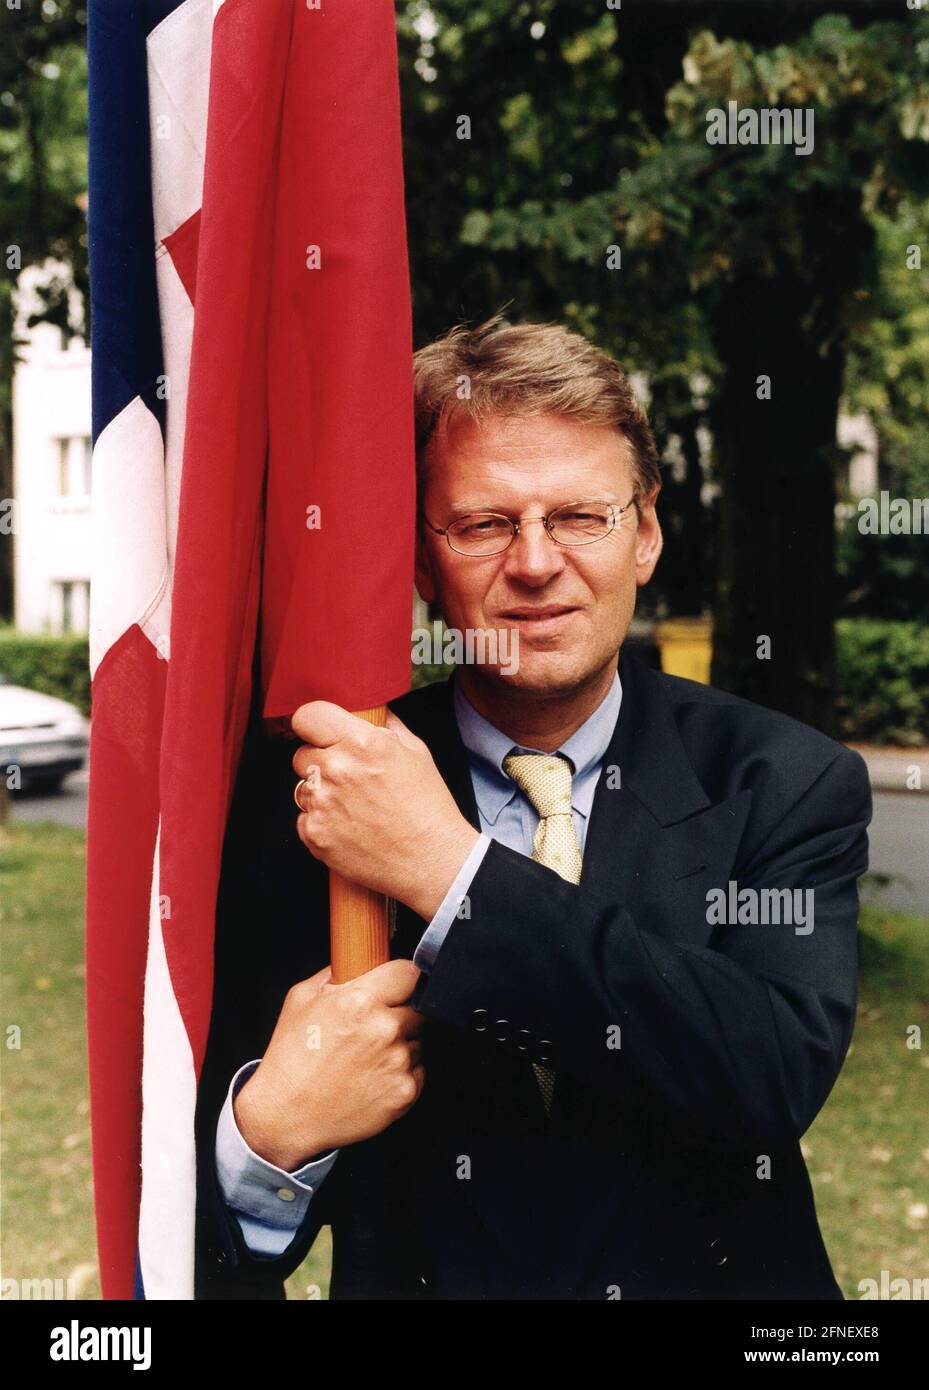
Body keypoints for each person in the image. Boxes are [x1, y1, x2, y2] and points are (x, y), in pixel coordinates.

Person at [194, 315, 871, 1300]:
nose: (536, 562)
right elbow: (197, 1252)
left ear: (643, 534)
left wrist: (448, 871)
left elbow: (764, 1075)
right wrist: (267, 1136)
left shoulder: (782, 778)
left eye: (580, 517)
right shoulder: (311, 793)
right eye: (482, 523)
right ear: (419, 565)